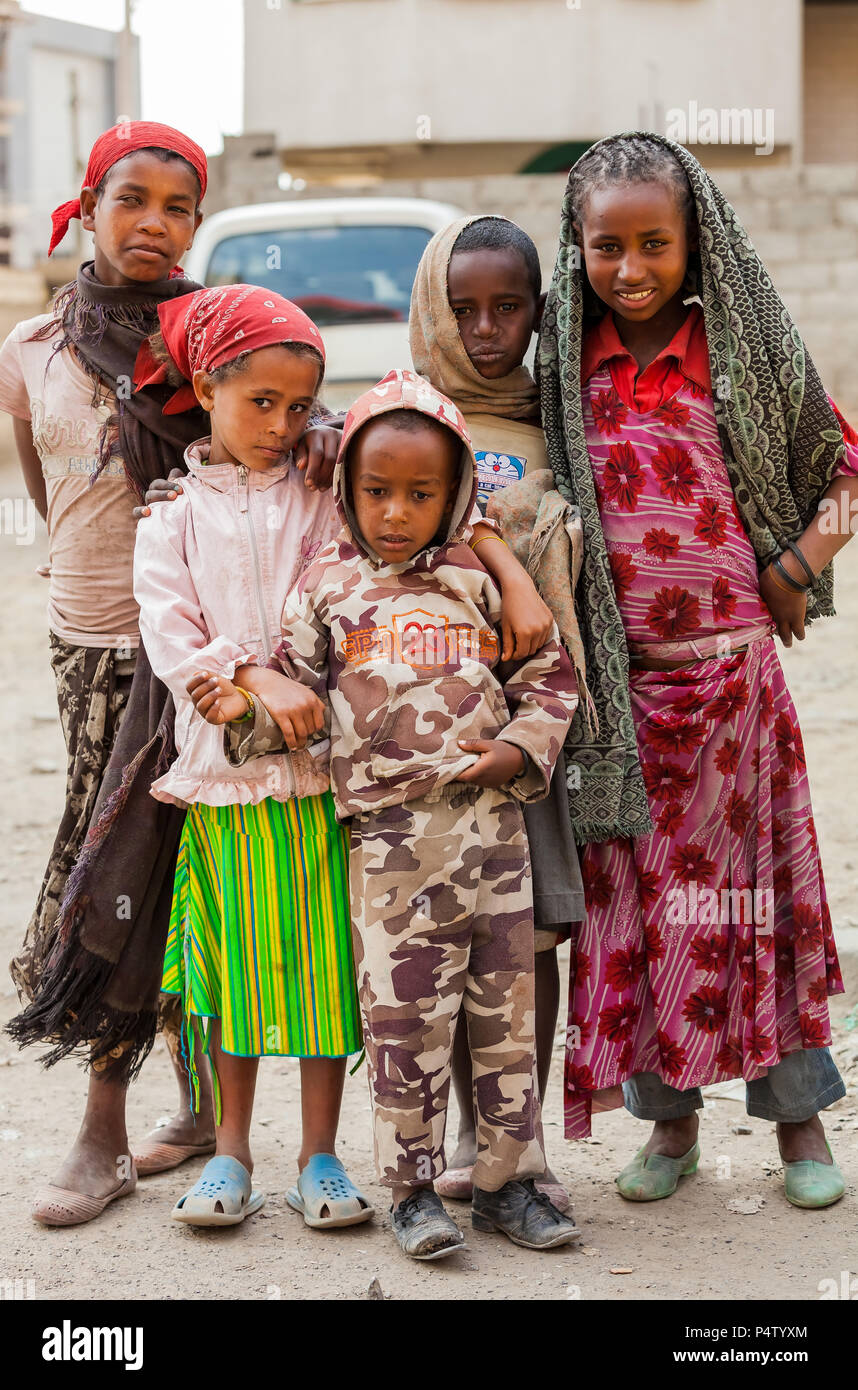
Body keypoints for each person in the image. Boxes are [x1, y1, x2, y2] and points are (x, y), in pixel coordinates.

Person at [0, 122, 340, 1226]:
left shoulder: (215, 337)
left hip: (209, 649)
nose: (154, 223)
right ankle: (111, 1129)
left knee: (193, 865)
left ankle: (178, 1115)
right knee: (114, 861)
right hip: (96, 642)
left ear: (197, 222)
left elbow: (294, 433)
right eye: (131, 200)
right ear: (87, 205)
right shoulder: (32, 348)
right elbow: (50, 489)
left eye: (178, 208)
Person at [538, 132, 856, 1208]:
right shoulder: (563, 372)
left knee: (760, 905)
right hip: (622, 705)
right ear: (576, 246)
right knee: (637, 914)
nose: (629, 268)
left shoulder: (739, 354)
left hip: (735, 695)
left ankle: (799, 1125)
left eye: (653, 244)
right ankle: (668, 1127)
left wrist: (796, 567)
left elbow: (843, 472)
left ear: (695, 241)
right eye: (607, 246)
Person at [198, 368, 582, 1257]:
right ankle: (412, 1192)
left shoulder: (479, 581)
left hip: (495, 840)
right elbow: (295, 703)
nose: (397, 513)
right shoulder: (325, 587)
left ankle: (510, 1184)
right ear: (348, 489)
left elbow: (550, 678)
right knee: (405, 1027)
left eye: (420, 494)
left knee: (505, 1023)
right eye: (377, 492)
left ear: (455, 497)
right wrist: (243, 712)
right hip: (390, 851)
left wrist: (519, 749)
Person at [132, 284, 372, 1228]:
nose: (280, 426)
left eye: (299, 407)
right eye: (260, 402)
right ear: (205, 389)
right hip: (227, 779)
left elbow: (351, 594)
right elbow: (172, 633)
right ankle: (230, 1152)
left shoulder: (326, 494)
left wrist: (338, 433)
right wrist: (249, 676)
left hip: (324, 778)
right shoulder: (171, 518)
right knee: (231, 966)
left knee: (321, 966)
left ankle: (320, 1156)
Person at [409, 216, 585, 1211]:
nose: (484, 330)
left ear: (538, 311)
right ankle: (456, 1136)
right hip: (432, 731)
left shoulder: (559, 420)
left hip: (533, 731)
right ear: (431, 310)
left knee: (532, 938)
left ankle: (518, 1143)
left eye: (507, 307)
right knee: (448, 936)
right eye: (463, 309)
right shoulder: (406, 417)